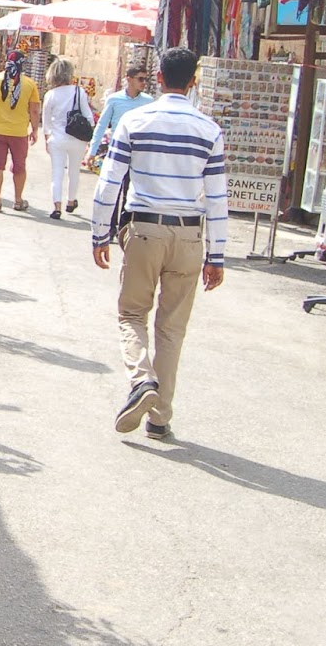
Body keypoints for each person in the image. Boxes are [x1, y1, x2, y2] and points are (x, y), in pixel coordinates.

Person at [90, 46, 226, 440]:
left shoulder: (135, 121)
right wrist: (216, 255)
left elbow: (109, 182)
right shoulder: (209, 130)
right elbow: (217, 198)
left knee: (132, 315)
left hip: (145, 229)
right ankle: (160, 416)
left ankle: (141, 381)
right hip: (189, 235)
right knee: (172, 328)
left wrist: (100, 232)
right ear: (194, 80)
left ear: (159, 79)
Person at [0, 50, 42, 213]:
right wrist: (34, 129)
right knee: (20, 166)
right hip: (19, 132)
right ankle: (18, 200)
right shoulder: (29, 84)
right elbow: (34, 110)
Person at [40, 57, 93, 220]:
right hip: (77, 138)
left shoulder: (50, 95)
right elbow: (89, 117)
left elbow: (46, 121)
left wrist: (47, 138)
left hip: (57, 138)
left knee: (57, 172)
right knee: (74, 171)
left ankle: (57, 206)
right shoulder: (79, 92)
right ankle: (71, 201)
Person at [90, 64, 155, 158]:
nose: (144, 83)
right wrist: (92, 151)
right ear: (129, 79)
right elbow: (102, 124)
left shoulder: (149, 101)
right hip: (117, 147)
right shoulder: (114, 99)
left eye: (146, 79)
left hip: (139, 150)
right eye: (140, 79)